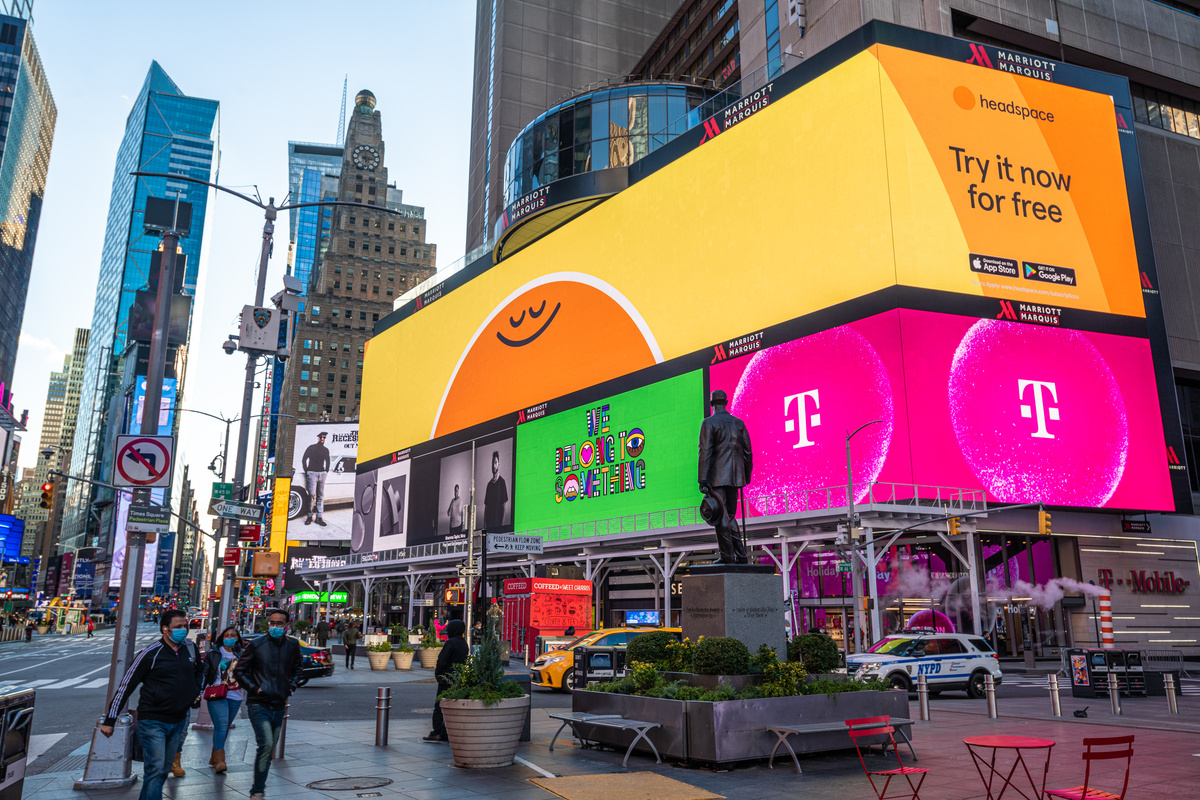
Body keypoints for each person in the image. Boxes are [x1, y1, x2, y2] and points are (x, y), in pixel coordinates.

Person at [101, 609, 203, 800]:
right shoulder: (150, 653)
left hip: (179, 720)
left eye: (185, 626)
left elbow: (200, 671)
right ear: (166, 629)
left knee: (163, 770)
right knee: (155, 769)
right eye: (178, 627)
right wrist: (110, 720)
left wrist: (195, 692)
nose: (183, 629)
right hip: (153, 721)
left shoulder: (190, 648)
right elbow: (125, 686)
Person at [233, 609, 302, 800]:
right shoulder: (256, 644)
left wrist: (291, 686)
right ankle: (257, 790)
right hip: (258, 703)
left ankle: (259, 787)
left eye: (279, 623)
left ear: (287, 626)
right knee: (266, 745)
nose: (275, 626)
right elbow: (239, 671)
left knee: (269, 749)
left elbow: (298, 668)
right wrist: (255, 689)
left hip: (279, 703)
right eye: (272, 623)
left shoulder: (292, 645)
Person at [697, 389, 753, 565]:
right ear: (726, 402)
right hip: (736, 477)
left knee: (721, 516)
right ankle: (741, 556)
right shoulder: (739, 424)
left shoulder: (709, 423)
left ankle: (728, 557)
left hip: (717, 477)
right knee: (729, 516)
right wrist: (746, 476)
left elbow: (705, 452)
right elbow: (748, 452)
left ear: (712, 404)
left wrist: (703, 479)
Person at [204, 626, 244, 774]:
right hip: (217, 693)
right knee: (221, 725)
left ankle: (214, 756)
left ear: (237, 638)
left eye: (233, 635)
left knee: (225, 727)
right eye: (227, 635)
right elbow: (205, 673)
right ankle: (220, 760)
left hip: (236, 695)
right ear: (222, 637)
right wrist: (198, 691)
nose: (230, 637)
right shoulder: (214, 653)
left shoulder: (241, 654)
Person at [423, 619, 468, 743]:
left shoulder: (450, 643)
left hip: (446, 678)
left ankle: (437, 731)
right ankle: (447, 731)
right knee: (452, 706)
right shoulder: (464, 644)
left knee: (440, 705)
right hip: (457, 679)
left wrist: (438, 674)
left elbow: (442, 661)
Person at [302, 431, 330, 526]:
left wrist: (326, 471)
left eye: (324, 437)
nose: (322, 439)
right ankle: (309, 516)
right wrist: (307, 471)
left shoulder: (326, 450)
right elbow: (304, 459)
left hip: (322, 474)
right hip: (312, 473)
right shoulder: (311, 447)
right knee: (311, 495)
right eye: (321, 437)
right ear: (318, 438)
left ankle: (319, 517)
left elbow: (328, 461)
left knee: (320, 495)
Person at [483, 450, 508, 530]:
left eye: (495, 463)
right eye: (492, 463)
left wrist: (501, 527)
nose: (493, 465)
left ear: (498, 465)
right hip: (489, 527)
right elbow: (486, 508)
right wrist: (484, 528)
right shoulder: (489, 485)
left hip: (498, 526)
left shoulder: (502, 482)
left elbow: (504, 506)